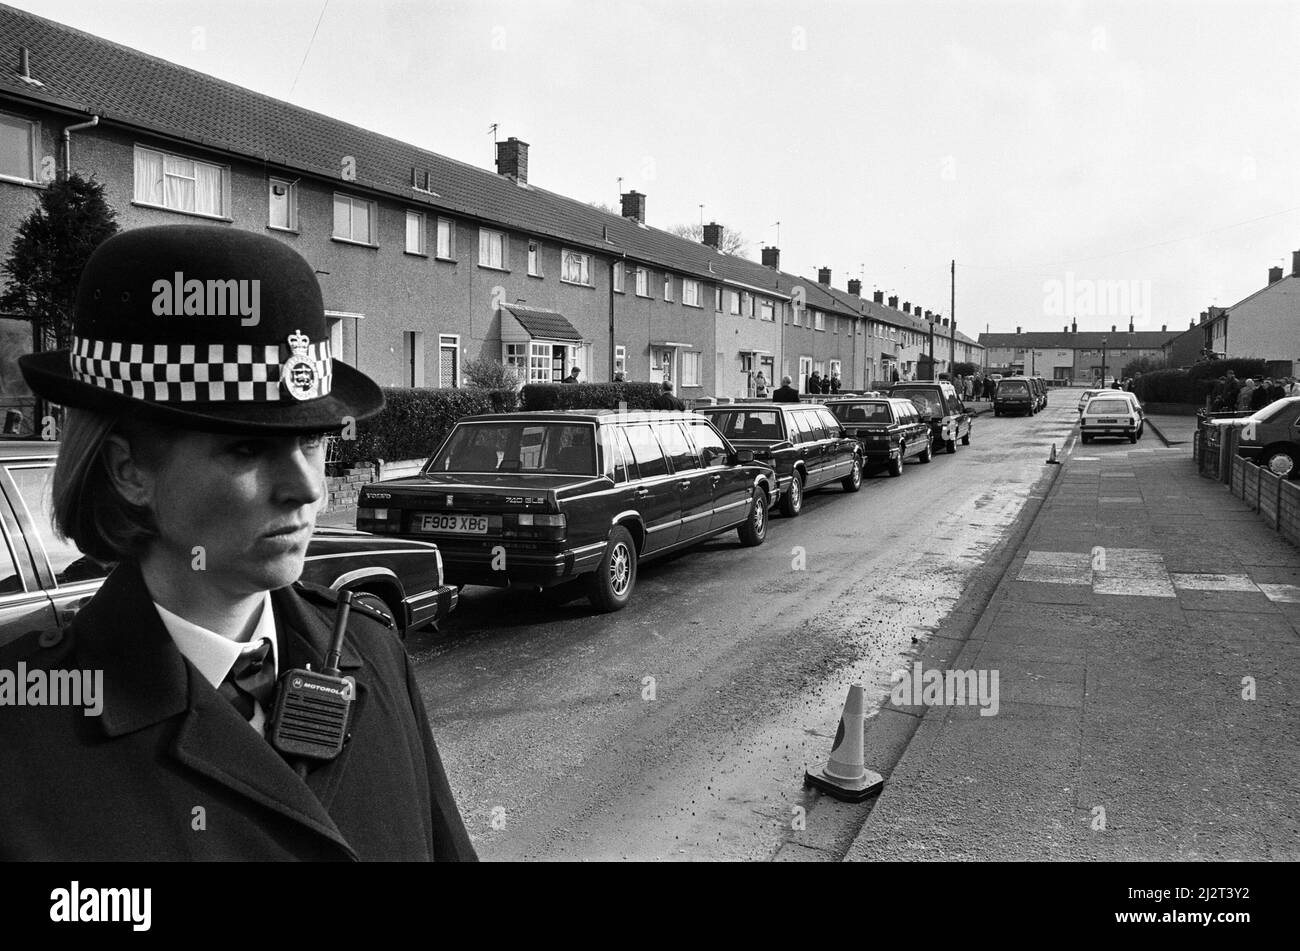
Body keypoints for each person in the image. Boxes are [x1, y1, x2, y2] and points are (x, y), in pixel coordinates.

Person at [2, 225, 476, 861]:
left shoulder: (371, 650)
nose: (307, 488)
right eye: (247, 448)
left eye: (313, 440)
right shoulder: (25, 726)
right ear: (129, 471)